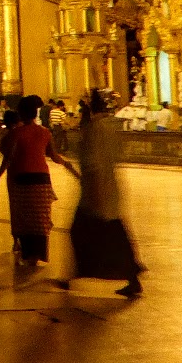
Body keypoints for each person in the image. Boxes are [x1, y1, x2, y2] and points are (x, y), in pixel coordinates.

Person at [71, 90, 144, 298]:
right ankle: (131, 274)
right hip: (109, 185)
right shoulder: (111, 126)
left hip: (96, 189)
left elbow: (93, 162)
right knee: (114, 232)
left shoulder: (95, 129)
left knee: (85, 233)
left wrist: (95, 191)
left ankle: (77, 273)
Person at [0, 95, 77, 265]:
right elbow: (54, 155)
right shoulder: (45, 132)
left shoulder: (16, 133)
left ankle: (28, 253)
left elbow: (9, 157)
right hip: (42, 179)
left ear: (21, 114)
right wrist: (69, 166)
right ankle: (39, 254)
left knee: (25, 217)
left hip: (21, 178)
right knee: (40, 218)